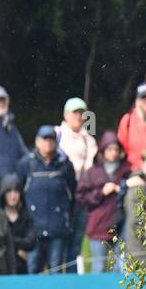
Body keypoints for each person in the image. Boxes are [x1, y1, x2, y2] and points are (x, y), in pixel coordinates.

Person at [16, 125, 77, 274]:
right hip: (33, 227)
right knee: (33, 267)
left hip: (58, 227)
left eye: (51, 139)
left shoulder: (65, 165)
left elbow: (73, 193)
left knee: (55, 267)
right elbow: (18, 191)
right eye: (44, 139)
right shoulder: (27, 164)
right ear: (37, 141)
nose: (48, 143)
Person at [76, 131, 130, 273]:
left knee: (120, 269)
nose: (113, 153)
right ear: (103, 151)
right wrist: (101, 192)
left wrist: (122, 189)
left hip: (121, 227)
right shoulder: (92, 172)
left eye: (116, 150)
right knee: (98, 268)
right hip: (99, 228)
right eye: (109, 149)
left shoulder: (127, 171)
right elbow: (81, 197)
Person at [57, 96, 98, 264]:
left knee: (76, 241)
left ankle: (74, 282)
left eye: (81, 113)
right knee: (57, 243)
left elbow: (92, 169)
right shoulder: (56, 134)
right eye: (74, 112)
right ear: (66, 115)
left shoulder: (89, 140)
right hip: (60, 195)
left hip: (80, 195)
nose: (78, 116)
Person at [0, 174, 37, 274]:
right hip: (1, 268)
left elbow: (31, 242)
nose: (13, 195)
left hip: (21, 269)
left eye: (16, 191)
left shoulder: (26, 216)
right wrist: (19, 248)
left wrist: (9, 242)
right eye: (9, 191)